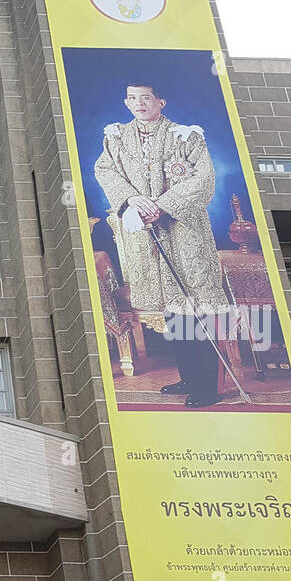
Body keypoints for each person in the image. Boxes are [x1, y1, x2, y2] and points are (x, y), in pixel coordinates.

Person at [94, 81, 229, 408]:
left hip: (185, 236)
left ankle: (207, 387)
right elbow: (105, 171)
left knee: (194, 310)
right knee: (172, 312)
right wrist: (133, 200)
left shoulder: (187, 136)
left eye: (145, 98)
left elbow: (204, 180)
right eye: (132, 98)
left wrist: (163, 205)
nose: (138, 103)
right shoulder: (116, 138)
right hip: (146, 237)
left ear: (160, 102)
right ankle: (189, 376)